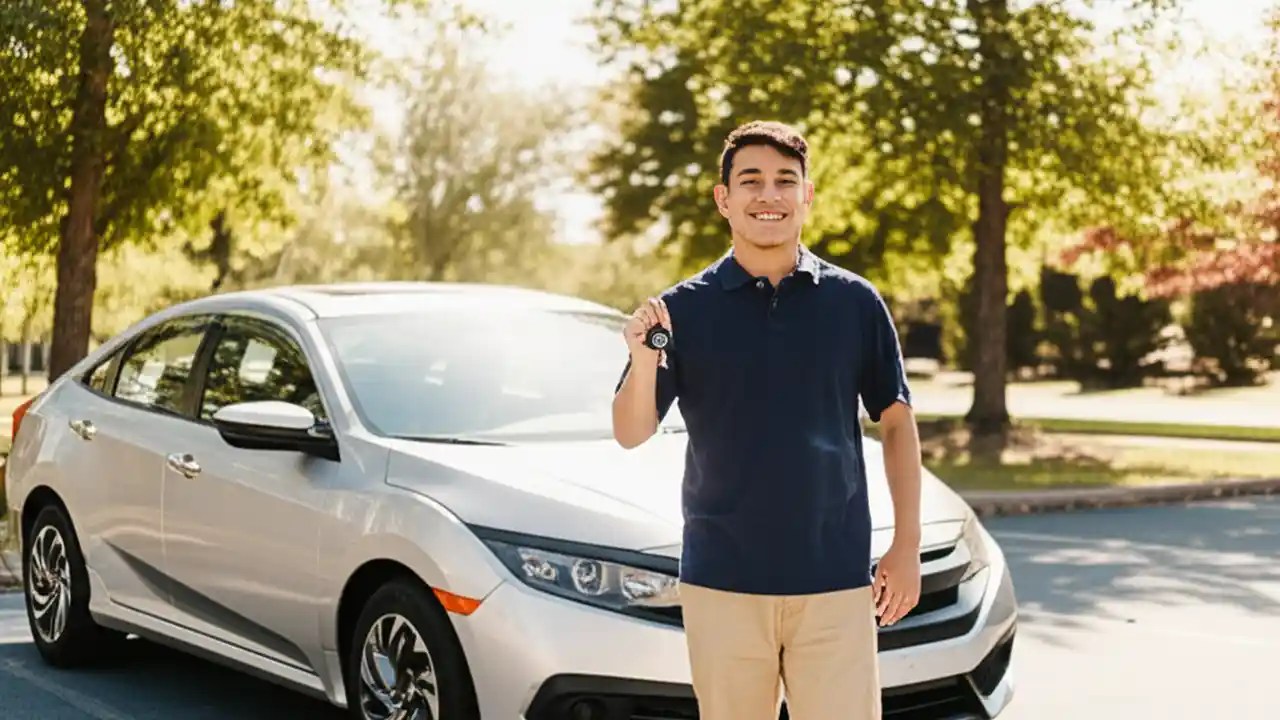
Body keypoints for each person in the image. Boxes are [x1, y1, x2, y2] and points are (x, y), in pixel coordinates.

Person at [611, 120, 923, 720]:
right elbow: (631, 430)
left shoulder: (855, 303)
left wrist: (904, 546)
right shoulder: (682, 310)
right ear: (723, 198)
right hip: (722, 582)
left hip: (835, 579)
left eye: (786, 181)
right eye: (750, 180)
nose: (769, 195)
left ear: (807, 195)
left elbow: (898, 423)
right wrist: (643, 360)